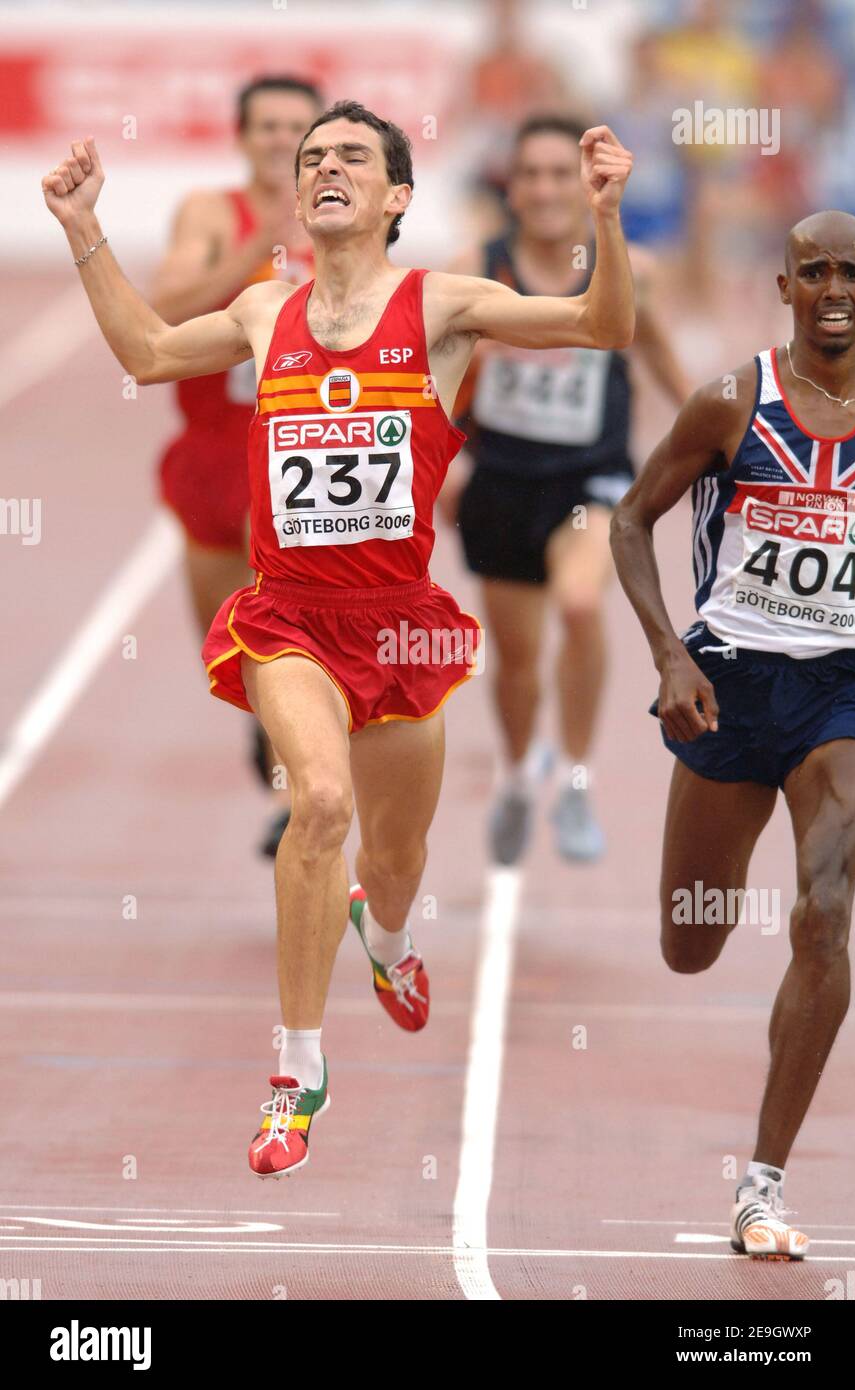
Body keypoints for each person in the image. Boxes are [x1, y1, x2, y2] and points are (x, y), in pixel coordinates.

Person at [42, 102, 634, 1179]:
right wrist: (86, 228)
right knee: (316, 801)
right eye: (313, 157)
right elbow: (143, 347)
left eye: (352, 156)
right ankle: (298, 1068)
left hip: (401, 627)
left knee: (395, 862)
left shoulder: (445, 304)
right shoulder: (266, 310)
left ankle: (392, 939)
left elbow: (602, 324)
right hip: (289, 616)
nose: (325, 168)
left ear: (397, 195)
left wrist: (608, 214)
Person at [610, 209, 855, 1259]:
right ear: (786, 287)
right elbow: (629, 520)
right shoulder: (733, 401)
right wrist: (671, 655)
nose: (836, 288)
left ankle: (761, 1185)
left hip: (842, 695)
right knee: (690, 944)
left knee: (825, 910)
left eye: (853, 271)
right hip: (729, 687)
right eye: (816, 272)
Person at [446, 115, 687, 864]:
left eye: (562, 173)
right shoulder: (473, 271)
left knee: (580, 604)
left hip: (593, 478)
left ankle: (576, 781)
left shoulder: (628, 268)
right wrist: (445, 463)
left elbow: (662, 361)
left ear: (585, 183)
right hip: (501, 482)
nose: (547, 189)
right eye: (532, 174)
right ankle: (521, 774)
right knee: (515, 662)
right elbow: (430, 380)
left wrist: (715, 443)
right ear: (510, 188)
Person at [152, 75, 322, 857]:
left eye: (297, 125)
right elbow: (167, 306)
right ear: (241, 134)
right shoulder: (211, 213)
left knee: (281, 628)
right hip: (210, 451)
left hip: (292, 458)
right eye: (267, 125)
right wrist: (256, 251)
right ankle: (274, 744)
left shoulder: (341, 212)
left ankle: (304, 785)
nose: (280, 137)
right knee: (228, 651)